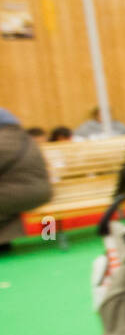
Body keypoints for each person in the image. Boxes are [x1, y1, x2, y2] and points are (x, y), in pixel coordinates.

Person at [0, 108, 53, 253]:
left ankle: (4, 243)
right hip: (42, 190)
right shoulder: (25, 139)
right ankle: (4, 243)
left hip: (22, 194)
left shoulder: (3, 141)